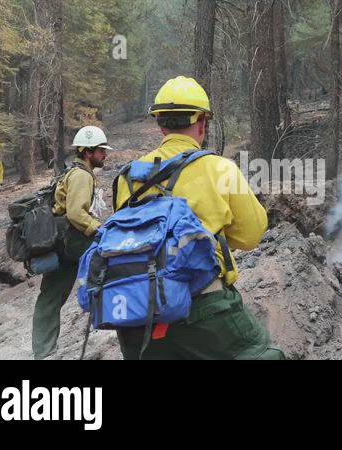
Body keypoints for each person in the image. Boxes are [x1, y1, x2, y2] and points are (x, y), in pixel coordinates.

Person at [113, 76, 285, 360]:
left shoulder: (128, 176)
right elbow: (251, 235)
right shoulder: (219, 168)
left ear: (160, 124)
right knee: (265, 355)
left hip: (137, 313)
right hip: (203, 308)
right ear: (202, 122)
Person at [32, 126, 111, 360]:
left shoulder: (74, 172)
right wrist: (101, 230)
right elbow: (77, 214)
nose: (104, 155)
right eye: (101, 150)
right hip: (72, 241)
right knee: (116, 264)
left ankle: (44, 352)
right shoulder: (82, 175)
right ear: (88, 152)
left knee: (50, 297)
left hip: (62, 242)